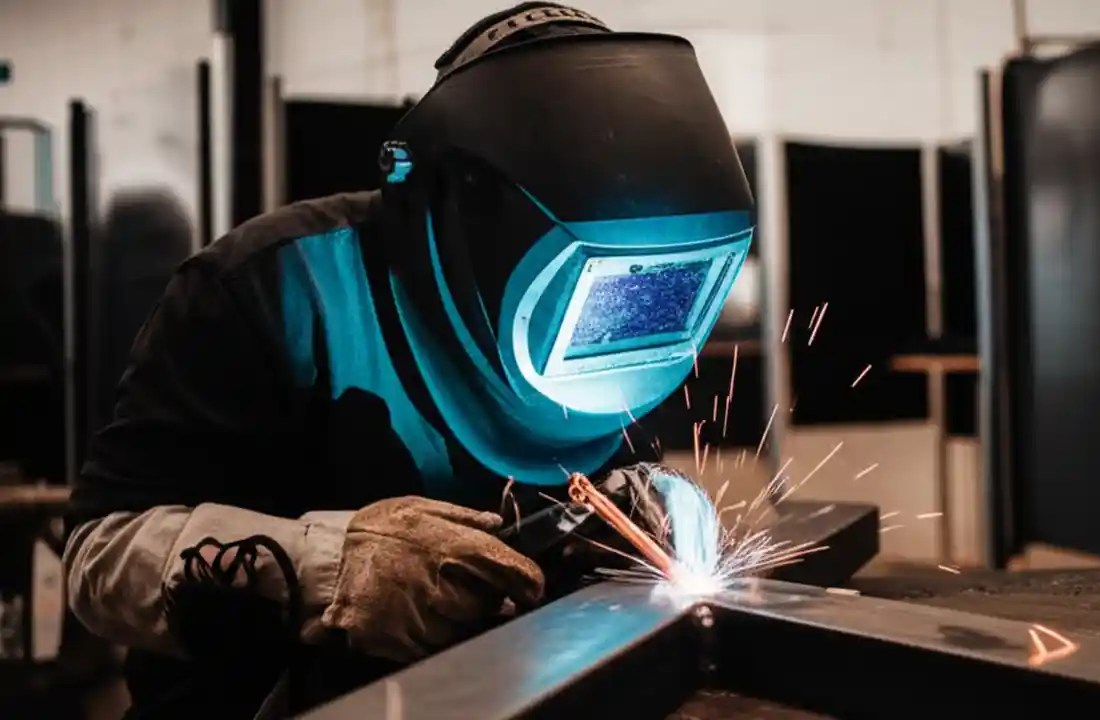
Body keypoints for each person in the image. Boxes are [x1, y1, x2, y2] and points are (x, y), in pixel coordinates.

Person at [62, 3, 755, 718]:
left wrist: (643, 499)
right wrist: (326, 569)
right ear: (471, 213)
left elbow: (597, 473)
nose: (626, 322)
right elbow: (96, 559)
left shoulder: (637, 284)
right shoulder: (277, 287)